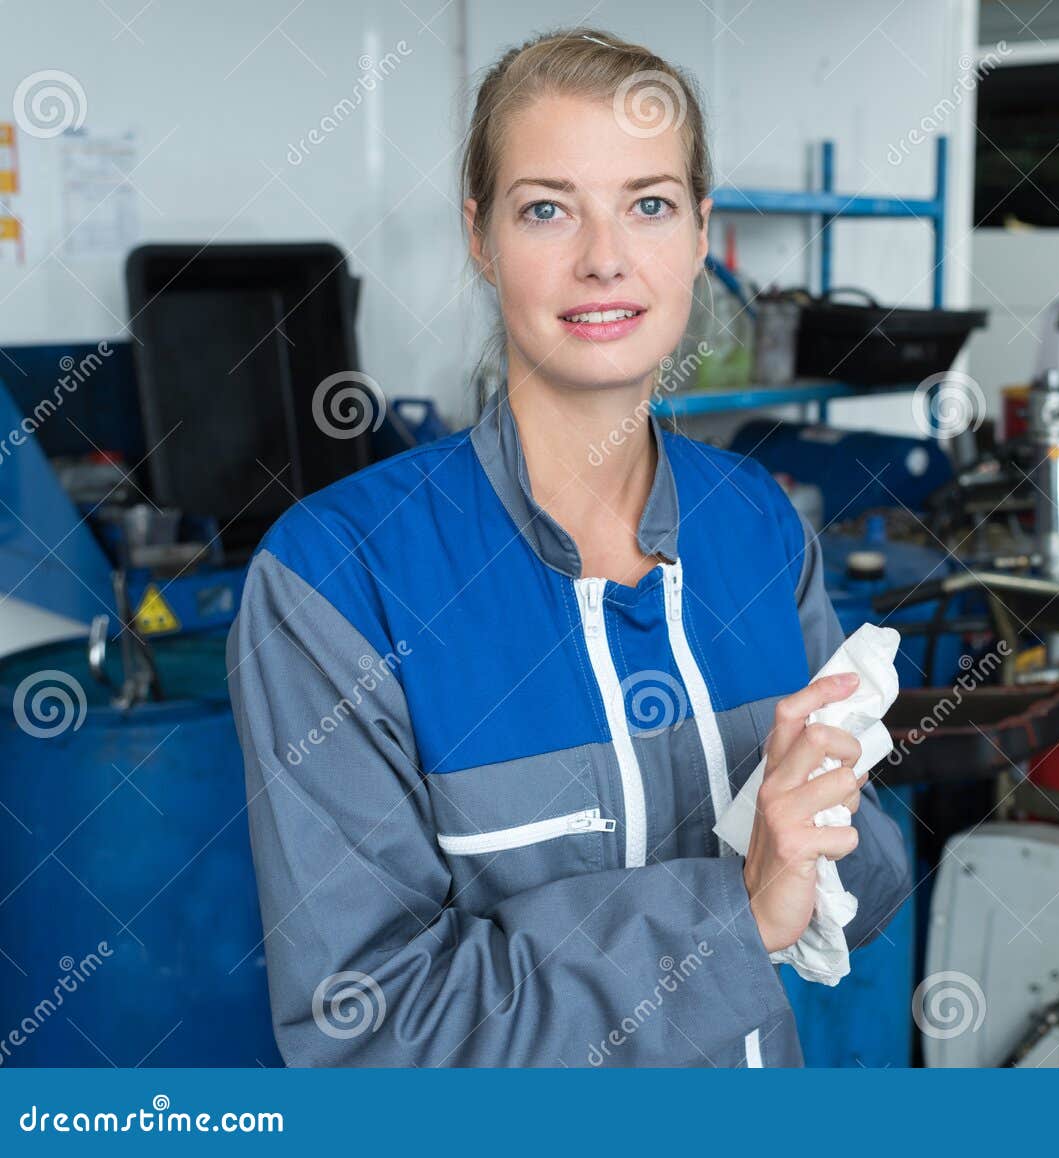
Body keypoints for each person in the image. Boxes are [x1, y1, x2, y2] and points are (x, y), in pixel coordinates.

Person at [226, 27, 912, 1068]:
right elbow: (367, 1036)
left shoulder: (758, 526)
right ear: (481, 238)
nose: (604, 256)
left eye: (648, 204)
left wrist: (825, 845)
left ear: (697, 234)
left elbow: (862, 883)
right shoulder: (336, 578)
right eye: (547, 208)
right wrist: (736, 913)